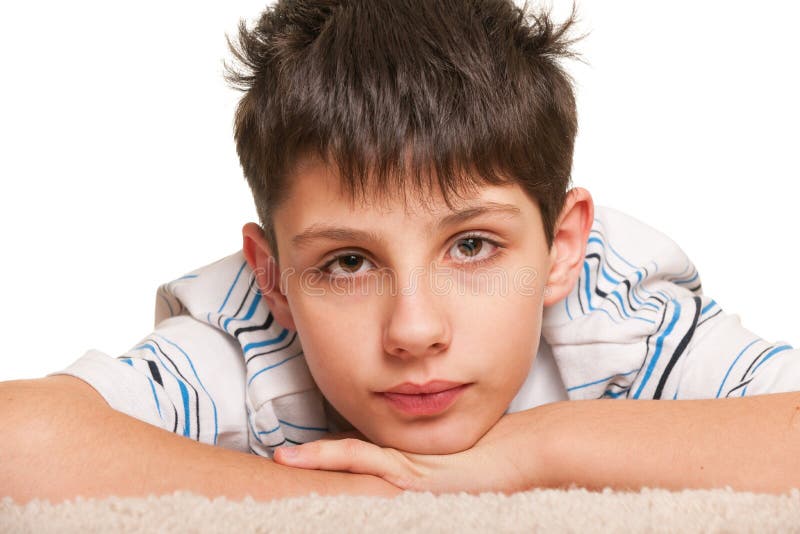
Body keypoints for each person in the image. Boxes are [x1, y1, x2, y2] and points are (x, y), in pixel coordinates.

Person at [2, 0, 798, 503]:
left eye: (475, 246)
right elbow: (17, 437)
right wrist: (372, 505)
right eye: (347, 263)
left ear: (561, 247)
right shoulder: (248, 345)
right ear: (273, 277)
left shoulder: (613, 315)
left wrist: (537, 451)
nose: (414, 331)